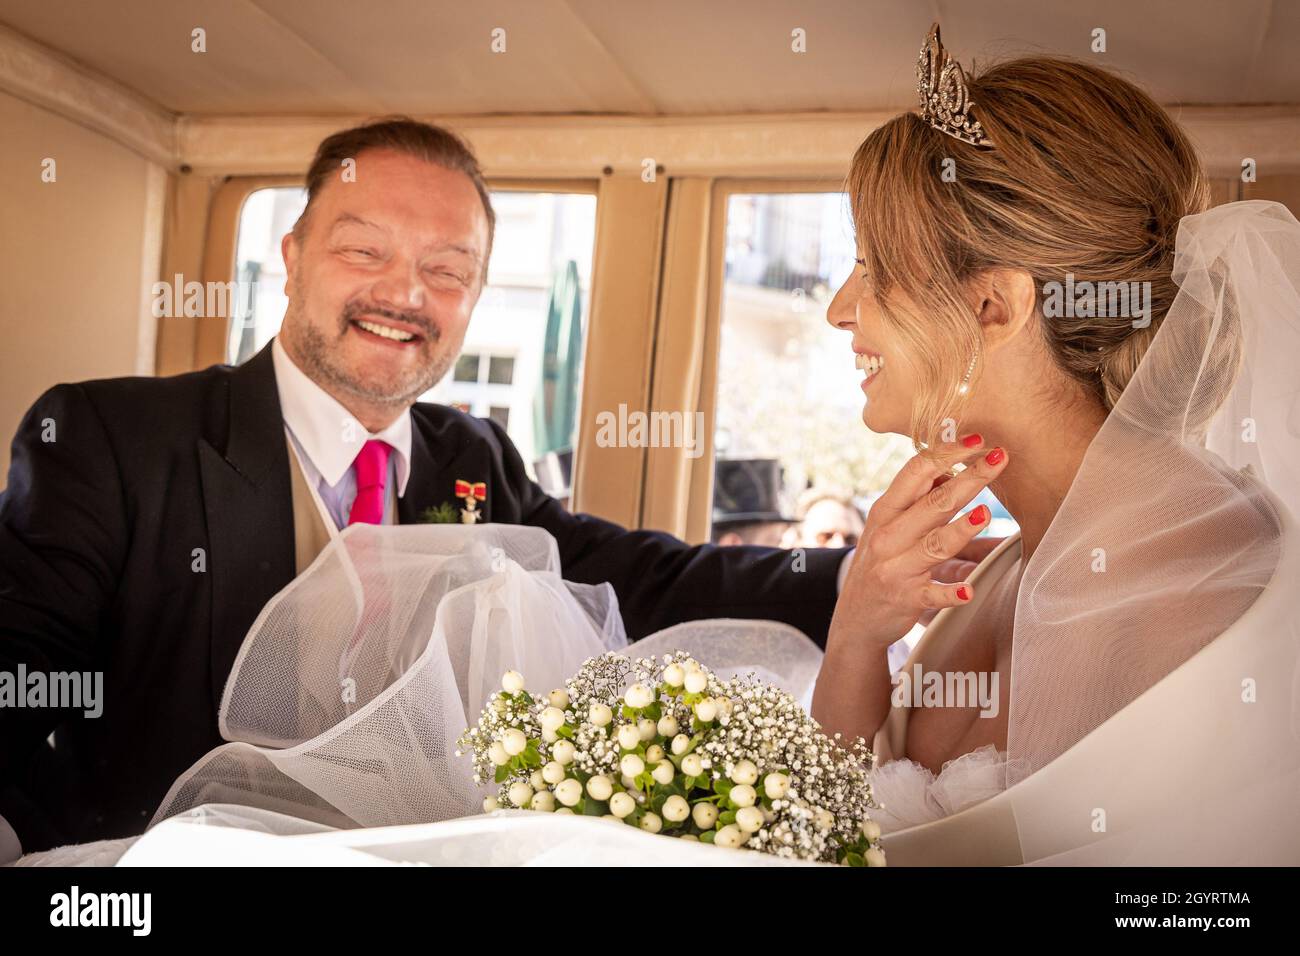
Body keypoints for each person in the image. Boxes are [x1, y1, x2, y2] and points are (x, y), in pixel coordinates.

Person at [0, 118, 984, 857]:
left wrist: (856, 577)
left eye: (447, 268)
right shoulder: (112, 435)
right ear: (292, 257)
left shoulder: (474, 456)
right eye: (364, 250)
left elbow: (643, 577)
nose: (404, 296)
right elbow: (21, 679)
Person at [811, 23, 1296, 857]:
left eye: (874, 266)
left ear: (994, 305)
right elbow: (833, 829)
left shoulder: (1204, 589)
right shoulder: (1015, 560)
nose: (841, 308)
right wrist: (856, 636)